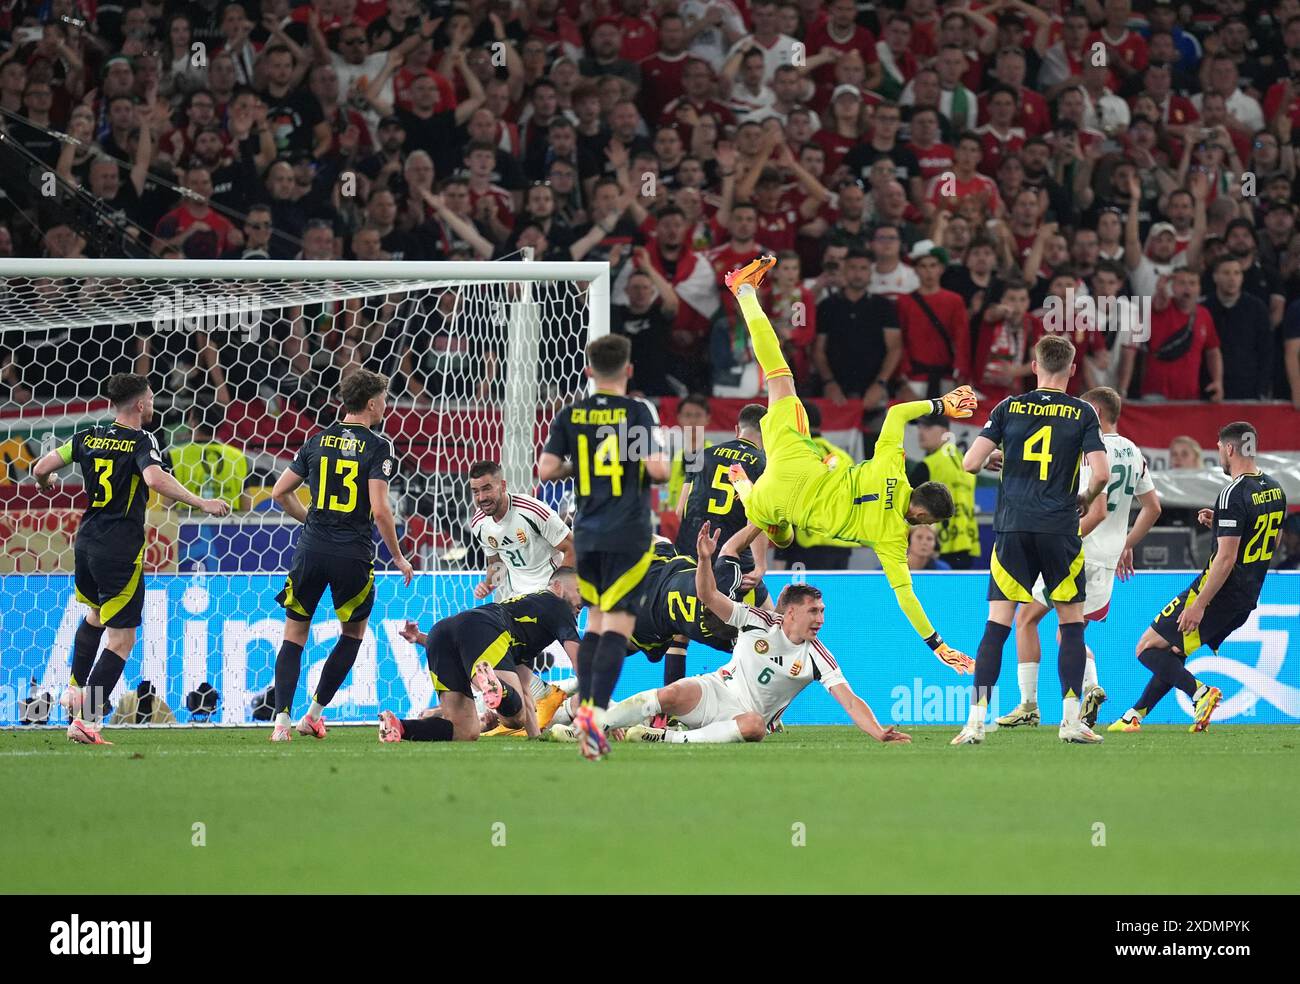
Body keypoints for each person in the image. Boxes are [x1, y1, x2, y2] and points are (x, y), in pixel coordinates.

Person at [723, 254, 976, 674]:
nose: (921, 526)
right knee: (780, 534)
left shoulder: (892, 467)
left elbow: (895, 415)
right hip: (780, 502)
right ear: (919, 512)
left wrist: (942, 403)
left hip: (795, 462)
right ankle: (745, 488)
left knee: (779, 372)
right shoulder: (893, 540)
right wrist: (938, 646)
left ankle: (744, 291)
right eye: (924, 521)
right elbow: (906, 597)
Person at [567, 521, 912, 745]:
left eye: (822, 611)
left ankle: (668, 738)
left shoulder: (817, 656)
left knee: (754, 728)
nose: (821, 618)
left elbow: (849, 700)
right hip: (716, 691)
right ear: (790, 612)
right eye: (814, 611)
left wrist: (879, 732)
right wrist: (704, 560)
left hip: (744, 716)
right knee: (670, 694)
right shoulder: (756, 621)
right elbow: (708, 596)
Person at [31, 373, 231, 745]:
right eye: (151, 397)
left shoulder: (87, 436)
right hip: (119, 548)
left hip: (86, 542)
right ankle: (87, 720)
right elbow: (155, 480)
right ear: (140, 404)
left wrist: (44, 486)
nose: (154, 403)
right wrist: (202, 502)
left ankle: (74, 688)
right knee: (122, 639)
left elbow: (41, 468)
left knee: (94, 615)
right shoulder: (142, 440)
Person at [957, 334, 1110, 745]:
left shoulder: (1008, 407)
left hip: (1012, 527)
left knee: (996, 627)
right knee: (1071, 626)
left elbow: (970, 462)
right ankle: (1071, 722)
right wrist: (1085, 498)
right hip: (1060, 528)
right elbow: (1100, 473)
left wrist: (998, 458)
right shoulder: (1082, 412)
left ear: (1034, 365)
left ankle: (974, 722)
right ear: (1073, 369)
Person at [536, 335, 671, 759]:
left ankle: (586, 717)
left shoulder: (571, 414)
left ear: (589, 371)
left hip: (588, 533)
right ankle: (593, 716)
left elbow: (546, 468)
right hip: (627, 532)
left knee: (595, 621)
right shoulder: (637, 411)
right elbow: (660, 470)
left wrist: (585, 461)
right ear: (628, 370)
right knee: (618, 625)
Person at [997, 386, 1163, 730]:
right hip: (1106, 559)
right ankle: (1091, 686)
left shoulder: (1091, 451)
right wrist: (1126, 544)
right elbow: (1153, 507)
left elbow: (1097, 511)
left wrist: (1064, 541)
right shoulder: (1134, 452)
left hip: (1077, 551)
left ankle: (1029, 704)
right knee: (1070, 632)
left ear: (1096, 414)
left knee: (1025, 619)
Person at [1109, 422, 1287, 734]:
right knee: (1173, 652)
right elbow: (1270, 541)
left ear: (1229, 449)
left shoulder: (1233, 492)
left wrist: (1199, 604)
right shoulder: (1275, 489)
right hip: (1246, 597)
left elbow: (1227, 557)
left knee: (1147, 648)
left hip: (1218, 591)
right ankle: (1133, 716)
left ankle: (1201, 693)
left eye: (1219, 449)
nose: (1220, 455)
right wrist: (1222, 525)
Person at [266, 370, 414, 742]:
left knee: (295, 634)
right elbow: (381, 510)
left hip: (311, 549)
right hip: (352, 554)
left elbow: (280, 492)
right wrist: (397, 557)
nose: (385, 405)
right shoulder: (380, 446)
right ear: (370, 403)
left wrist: (310, 520)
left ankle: (280, 723)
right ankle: (313, 715)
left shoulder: (316, 440)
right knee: (352, 633)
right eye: (383, 399)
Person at [379, 569, 584, 742]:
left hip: (441, 633)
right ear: (557, 586)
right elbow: (579, 661)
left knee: (466, 730)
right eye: (579, 591)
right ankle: (499, 689)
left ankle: (399, 726)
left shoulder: (528, 630)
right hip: (486, 629)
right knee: (513, 719)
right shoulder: (557, 606)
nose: (583, 601)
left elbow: (526, 694)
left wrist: (535, 739)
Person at [672, 401, 771, 622]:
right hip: (732, 560)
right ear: (769, 433)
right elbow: (757, 517)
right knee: (769, 622)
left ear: (737, 429)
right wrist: (760, 565)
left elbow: (680, 510)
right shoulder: (764, 465)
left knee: (679, 635)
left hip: (691, 554)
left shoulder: (703, 454)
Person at [468, 460, 575, 599]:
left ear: (503, 486)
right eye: (476, 492)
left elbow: (571, 547)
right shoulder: (479, 523)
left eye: (487, 488)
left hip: (550, 594)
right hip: (518, 598)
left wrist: (558, 590)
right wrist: (488, 585)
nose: (481, 498)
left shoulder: (532, 511)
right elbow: (497, 563)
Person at [908, 414, 979, 569]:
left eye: (927, 427)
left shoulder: (930, 464)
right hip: (966, 540)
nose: (921, 432)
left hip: (936, 544)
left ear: (945, 431)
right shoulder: (965, 461)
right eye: (919, 427)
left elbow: (905, 505)